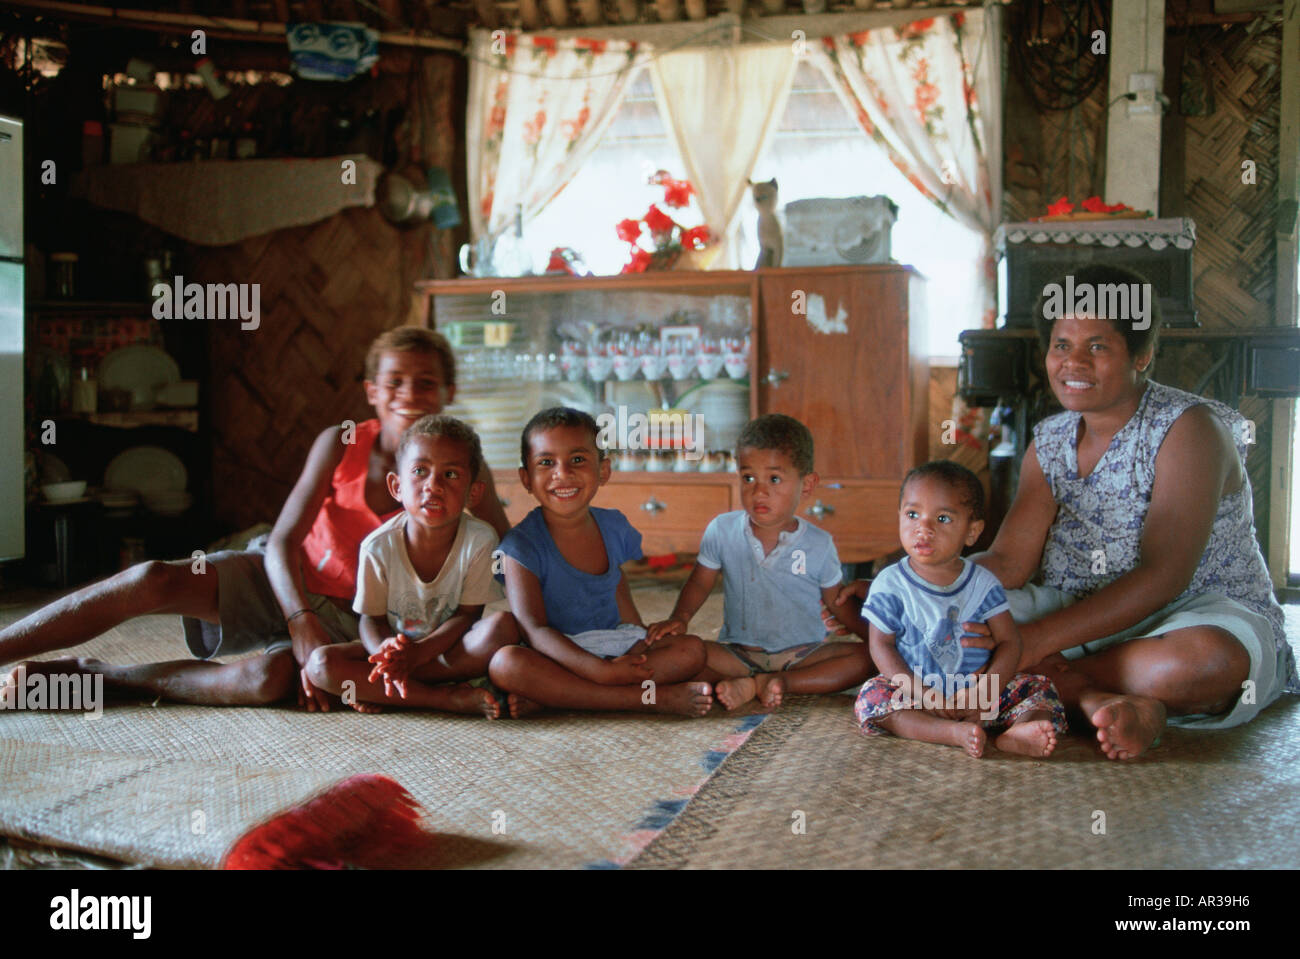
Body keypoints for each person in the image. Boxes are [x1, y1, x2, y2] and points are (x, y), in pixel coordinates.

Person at [835, 264, 1298, 759]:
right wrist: (912, 581)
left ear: (1142, 354)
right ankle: (1098, 699)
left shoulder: (1189, 430)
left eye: (1097, 346)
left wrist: (1030, 643)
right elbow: (1012, 561)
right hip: (1069, 606)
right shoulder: (1052, 439)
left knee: (1200, 664)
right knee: (915, 622)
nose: (1073, 362)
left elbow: (1163, 576)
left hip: (1193, 612)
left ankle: (1033, 683)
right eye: (1061, 345)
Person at [0, 326, 510, 710]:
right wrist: (300, 621)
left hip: (369, 623)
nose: (409, 394)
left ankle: (102, 677)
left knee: (266, 681)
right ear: (370, 390)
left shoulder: (463, 467)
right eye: (393, 381)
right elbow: (286, 540)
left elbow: (508, 557)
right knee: (154, 577)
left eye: (426, 383)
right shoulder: (342, 440)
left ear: (448, 393)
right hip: (283, 580)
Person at [487, 407, 713, 719]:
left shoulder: (614, 526)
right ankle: (647, 699)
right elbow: (535, 629)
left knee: (692, 650)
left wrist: (637, 638)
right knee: (505, 664)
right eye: (546, 462)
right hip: (560, 656)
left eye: (577, 460)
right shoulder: (520, 546)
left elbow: (616, 583)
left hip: (615, 643)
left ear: (603, 470)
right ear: (526, 478)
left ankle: (562, 699)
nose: (563, 473)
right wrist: (599, 671)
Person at [647, 413, 873, 710]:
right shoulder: (722, 529)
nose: (759, 491)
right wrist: (680, 618)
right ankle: (750, 681)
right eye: (748, 477)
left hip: (801, 655)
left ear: (806, 485)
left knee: (866, 660)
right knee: (680, 654)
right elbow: (700, 581)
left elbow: (837, 602)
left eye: (775, 479)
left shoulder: (819, 543)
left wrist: (877, 641)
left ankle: (772, 684)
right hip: (737, 655)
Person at [304, 415, 516, 716]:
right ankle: (443, 698)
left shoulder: (480, 540)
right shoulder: (377, 547)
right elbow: (371, 621)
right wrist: (385, 653)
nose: (434, 486)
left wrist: (418, 655)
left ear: (474, 492)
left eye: (451, 475)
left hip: (448, 651)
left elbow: (467, 616)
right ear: (397, 486)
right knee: (320, 665)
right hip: (397, 649)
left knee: (502, 628)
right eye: (420, 471)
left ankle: (392, 691)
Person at [853, 460, 1066, 758]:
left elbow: (1009, 642)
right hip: (918, 695)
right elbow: (881, 646)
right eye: (912, 514)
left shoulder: (982, 583)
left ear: (972, 531)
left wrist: (986, 692)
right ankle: (948, 733)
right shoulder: (890, 584)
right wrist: (923, 694)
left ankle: (1022, 730)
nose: (923, 527)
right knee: (872, 697)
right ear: (899, 517)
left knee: (1040, 688)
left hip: (979, 693)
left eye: (942, 519)